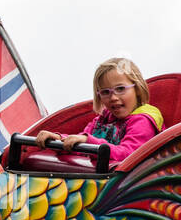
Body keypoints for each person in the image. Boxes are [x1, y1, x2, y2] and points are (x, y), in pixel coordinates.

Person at [34, 57, 163, 164]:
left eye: (120, 89)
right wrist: (58, 138)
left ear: (138, 90)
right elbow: (80, 140)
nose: (113, 97)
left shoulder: (143, 121)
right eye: (106, 92)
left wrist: (90, 142)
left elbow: (128, 156)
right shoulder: (103, 119)